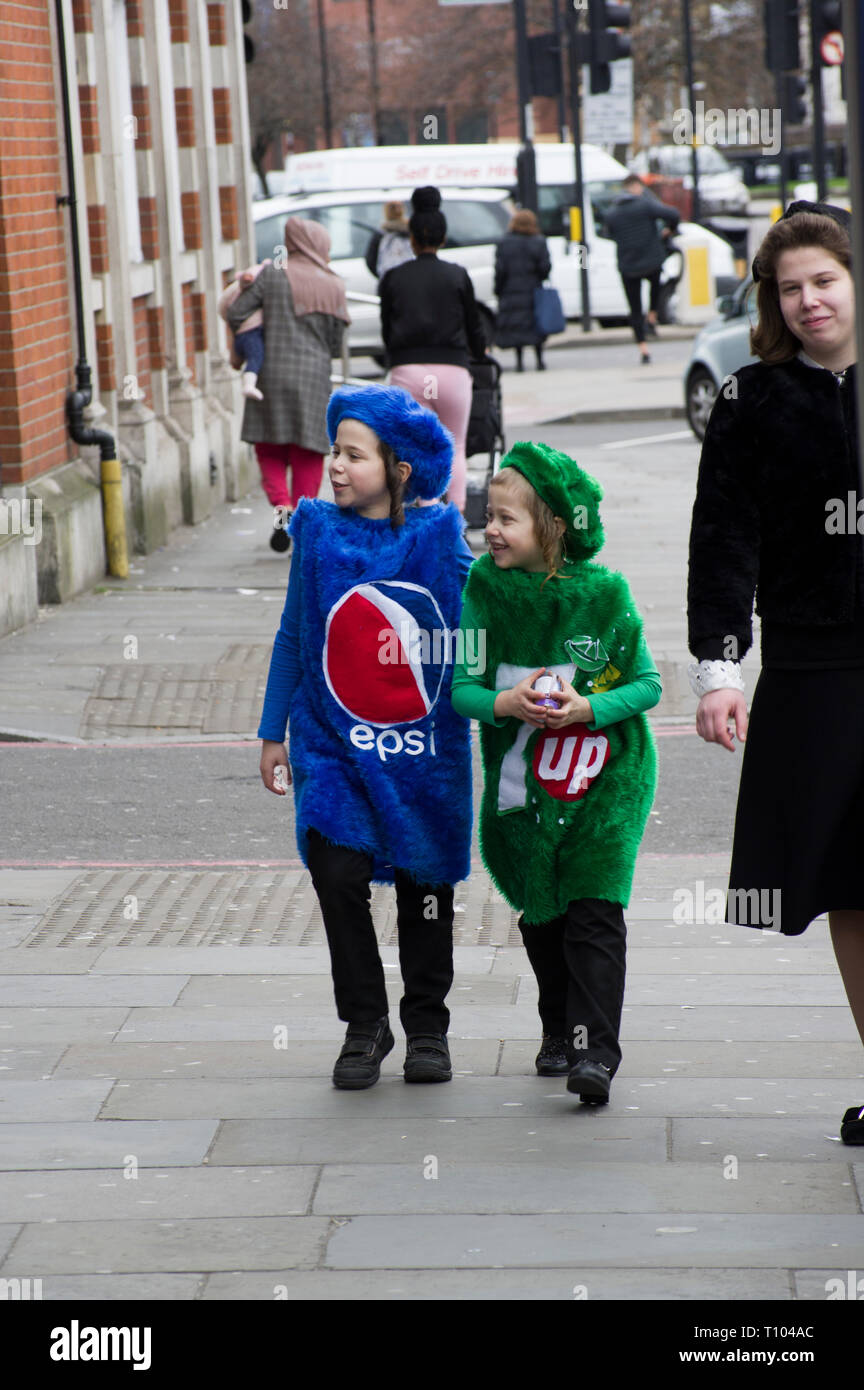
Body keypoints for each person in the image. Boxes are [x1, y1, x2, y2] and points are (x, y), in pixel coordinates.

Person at [688, 200, 864, 1147]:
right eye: (789, 288)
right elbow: (722, 540)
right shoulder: (751, 400)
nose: (807, 301)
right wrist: (719, 668)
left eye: (824, 281)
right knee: (849, 883)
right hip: (813, 669)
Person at [258, 384, 474, 1091]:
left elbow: (483, 618)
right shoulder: (316, 530)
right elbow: (295, 635)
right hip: (329, 741)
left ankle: (428, 1029)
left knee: (424, 882)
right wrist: (272, 732)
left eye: (354, 454)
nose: (337, 466)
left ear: (400, 468)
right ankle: (364, 1024)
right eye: (335, 451)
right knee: (336, 871)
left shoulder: (439, 537)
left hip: (421, 747)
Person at [450, 442, 662, 1104]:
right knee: (544, 915)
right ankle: (557, 1023)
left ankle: (595, 1052)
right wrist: (504, 704)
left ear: (554, 527)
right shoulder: (481, 589)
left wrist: (591, 707)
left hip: (606, 783)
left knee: (595, 908)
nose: (491, 529)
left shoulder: (607, 595)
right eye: (489, 515)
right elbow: (462, 686)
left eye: (508, 518)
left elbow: (649, 685)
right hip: (524, 788)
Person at [226, 218, 350, 553]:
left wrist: (258, 333)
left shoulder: (273, 273)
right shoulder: (333, 283)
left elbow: (237, 312)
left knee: (270, 449)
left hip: (270, 375)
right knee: (308, 452)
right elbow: (337, 342)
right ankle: (303, 520)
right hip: (314, 378)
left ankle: (283, 509)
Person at [379, 186, 489, 515]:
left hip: (408, 369)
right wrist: (478, 354)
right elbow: (475, 327)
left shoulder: (394, 278)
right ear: (443, 238)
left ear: (411, 238)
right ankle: (453, 522)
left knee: (412, 449)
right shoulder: (458, 275)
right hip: (452, 370)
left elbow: (387, 331)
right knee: (454, 446)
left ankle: (424, 510)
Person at [602, 174, 680, 365]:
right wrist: (669, 230)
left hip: (627, 265)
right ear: (636, 187)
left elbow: (607, 233)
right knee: (656, 286)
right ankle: (652, 315)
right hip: (652, 260)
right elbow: (674, 214)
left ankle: (643, 348)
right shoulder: (645, 205)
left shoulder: (612, 213)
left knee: (634, 308)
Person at [493, 208, 552, 372]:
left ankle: (519, 362)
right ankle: (539, 360)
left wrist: (498, 289)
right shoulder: (539, 241)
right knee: (535, 325)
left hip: (510, 290)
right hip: (533, 289)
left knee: (517, 327)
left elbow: (500, 270)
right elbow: (545, 268)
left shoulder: (504, 243)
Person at [219, 260, 271, 400]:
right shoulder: (262, 271)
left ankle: (236, 364)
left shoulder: (237, 295)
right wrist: (247, 278)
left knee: (244, 352)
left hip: (240, 333)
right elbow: (249, 276)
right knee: (256, 356)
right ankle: (249, 385)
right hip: (250, 331)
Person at [364, 200, 413, 280]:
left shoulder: (381, 234)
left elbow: (371, 260)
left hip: (389, 279)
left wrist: (381, 277)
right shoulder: (412, 231)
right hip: (410, 278)